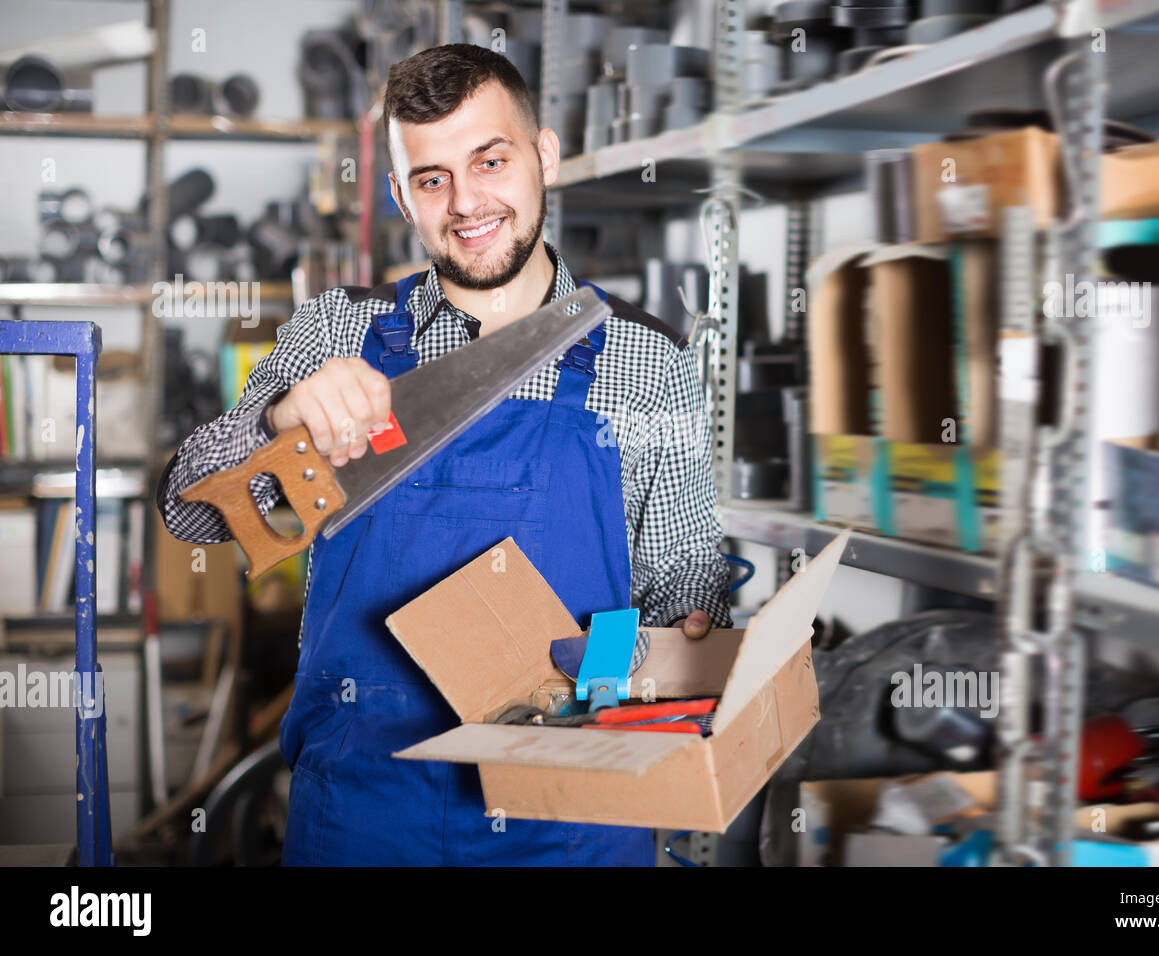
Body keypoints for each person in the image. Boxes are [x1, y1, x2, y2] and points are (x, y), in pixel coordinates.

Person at [157, 44, 732, 866]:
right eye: (431, 179)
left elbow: (678, 574)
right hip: (365, 810)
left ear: (544, 157)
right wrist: (280, 418)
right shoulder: (338, 333)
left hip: (572, 813)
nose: (466, 203)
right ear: (399, 194)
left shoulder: (646, 361)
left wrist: (693, 634)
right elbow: (188, 509)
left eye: (490, 161)